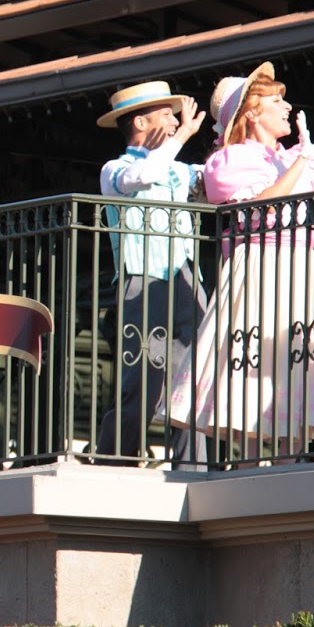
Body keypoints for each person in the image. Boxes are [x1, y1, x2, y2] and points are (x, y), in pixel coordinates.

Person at [165, 62, 314, 461]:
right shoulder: (228, 161)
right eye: (276, 99)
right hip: (258, 265)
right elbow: (263, 205)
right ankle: (248, 462)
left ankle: (290, 459)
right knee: (251, 361)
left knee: (302, 358)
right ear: (251, 112)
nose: (286, 106)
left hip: (300, 266)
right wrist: (300, 161)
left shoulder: (296, 155)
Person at [95, 80, 209, 467]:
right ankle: (114, 460)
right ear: (141, 123)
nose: (177, 122)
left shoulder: (178, 167)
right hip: (144, 281)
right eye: (167, 115)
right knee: (144, 378)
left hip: (185, 278)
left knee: (194, 377)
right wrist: (181, 141)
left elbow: (214, 182)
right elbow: (142, 177)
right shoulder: (116, 169)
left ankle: (191, 465)